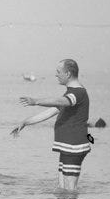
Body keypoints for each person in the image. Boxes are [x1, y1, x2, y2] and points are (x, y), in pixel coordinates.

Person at [11, 58, 92, 190]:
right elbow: (51, 111)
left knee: (70, 190)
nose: (56, 75)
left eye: (58, 72)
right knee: (62, 188)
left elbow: (61, 102)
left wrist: (35, 101)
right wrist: (26, 122)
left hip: (73, 146)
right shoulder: (72, 92)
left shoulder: (78, 93)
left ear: (68, 74)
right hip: (67, 146)